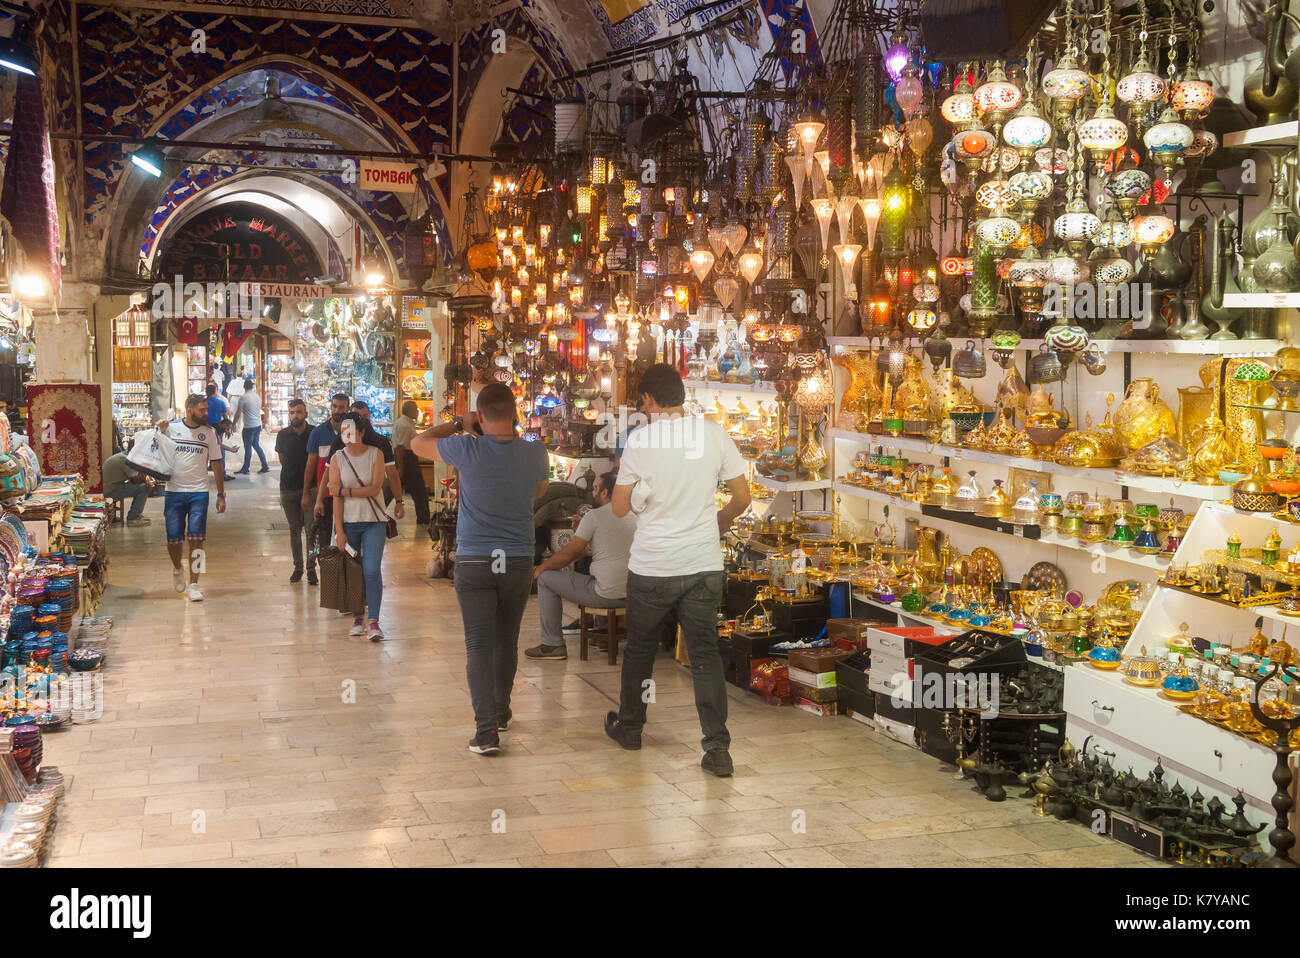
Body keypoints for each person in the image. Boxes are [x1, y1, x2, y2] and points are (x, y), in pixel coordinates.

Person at [605, 363, 751, 777]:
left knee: (641, 653)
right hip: (703, 564)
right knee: (705, 656)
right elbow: (741, 497)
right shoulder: (713, 433)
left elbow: (618, 508)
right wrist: (715, 526)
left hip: (653, 564)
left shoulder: (641, 440)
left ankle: (631, 727)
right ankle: (717, 748)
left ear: (649, 400)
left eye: (642, 402)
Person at [411, 383, 549, 756]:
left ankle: (486, 730)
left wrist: (460, 422)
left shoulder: (466, 447)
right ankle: (501, 712)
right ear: (516, 414)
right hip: (517, 558)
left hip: (475, 559)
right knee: (507, 639)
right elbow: (537, 493)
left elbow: (417, 443)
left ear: (481, 415)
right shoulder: (536, 452)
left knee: (478, 644)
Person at [526, 470, 635, 660]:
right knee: (600, 573)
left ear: (605, 493)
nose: (592, 493)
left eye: (595, 489)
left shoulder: (595, 516)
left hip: (606, 594)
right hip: (637, 594)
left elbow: (569, 555)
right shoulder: (637, 516)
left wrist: (540, 569)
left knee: (545, 579)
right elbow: (601, 552)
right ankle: (602, 633)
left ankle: (552, 644)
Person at [157, 394, 227, 602]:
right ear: (189, 410)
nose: (207, 413)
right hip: (174, 491)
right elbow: (152, 444)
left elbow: (216, 463)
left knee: (197, 540)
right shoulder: (171, 428)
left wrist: (221, 494)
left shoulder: (210, 433)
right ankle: (178, 567)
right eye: (202, 410)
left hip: (199, 492)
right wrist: (158, 429)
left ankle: (195, 583)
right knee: (173, 539)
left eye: (206, 410)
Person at [327, 411, 390, 642]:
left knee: (371, 570)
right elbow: (334, 497)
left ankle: (373, 621)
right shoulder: (337, 458)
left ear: (362, 431)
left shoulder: (376, 454)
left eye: (351, 430)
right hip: (348, 523)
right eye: (344, 431)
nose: (347, 435)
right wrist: (339, 531)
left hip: (374, 521)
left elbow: (374, 489)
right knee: (353, 573)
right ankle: (356, 617)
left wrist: (345, 491)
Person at [326, 400, 402, 507]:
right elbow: (329, 470)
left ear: (369, 415)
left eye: (365, 415)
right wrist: (320, 500)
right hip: (347, 509)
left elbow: (392, 474)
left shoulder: (381, 442)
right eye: (357, 416)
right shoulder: (340, 441)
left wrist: (399, 501)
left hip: (373, 509)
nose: (362, 420)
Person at [275, 398, 317, 584]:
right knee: (294, 530)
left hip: (311, 488)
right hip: (288, 488)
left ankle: (311, 568)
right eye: (292, 412)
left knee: (312, 530)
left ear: (306, 414)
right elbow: (282, 458)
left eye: (299, 412)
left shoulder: (313, 433)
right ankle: (298, 567)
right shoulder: (283, 435)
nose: (295, 416)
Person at [306, 393, 350, 550]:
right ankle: (328, 572)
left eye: (341, 407)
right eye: (334, 406)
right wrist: (307, 494)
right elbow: (310, 465)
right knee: (325, 543)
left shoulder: (353, 434)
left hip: (347, 494)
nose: (337, 410)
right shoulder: (318, 433)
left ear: (348, 408)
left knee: (347, 540)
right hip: (325, 496)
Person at [391, 401, 430, 525]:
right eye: (416, 409)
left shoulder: (405, 423)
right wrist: (401, 467)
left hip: (407, 458)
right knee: (418, 490)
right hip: (406, 459)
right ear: (409, 410)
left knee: (415, 490)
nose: (418, 412)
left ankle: (424, 517)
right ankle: (424, 518)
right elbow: (400, 447)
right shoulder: (404, 425)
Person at [103, 450, 154, 526]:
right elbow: (136, 480)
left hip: (107, 487)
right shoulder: (126, 460)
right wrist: (147, 479)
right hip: (110, 490)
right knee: (144, 488)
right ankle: (133, 518)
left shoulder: (122, 456)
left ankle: (134, 514)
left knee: (141, 485)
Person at [233, 377, 268, 474]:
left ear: (244, 387)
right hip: (257, 425)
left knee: (248, 447)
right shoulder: (257, 397)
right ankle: (265, 465)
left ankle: (245, 468)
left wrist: (233, 424)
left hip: (249, 426)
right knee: (256, 445)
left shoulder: (243, 398)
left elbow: (238, 413)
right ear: (252, 387)